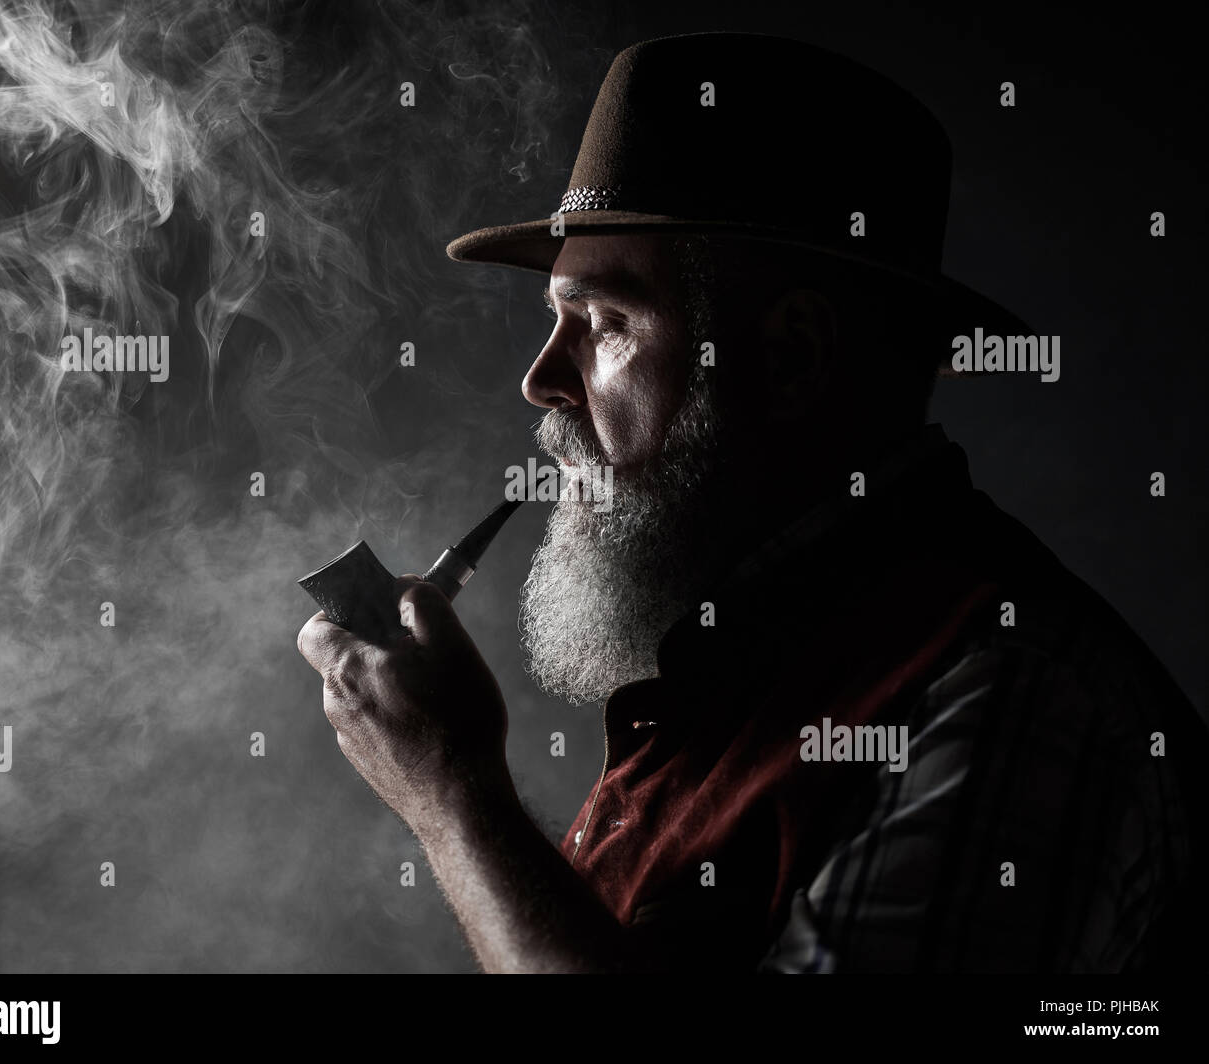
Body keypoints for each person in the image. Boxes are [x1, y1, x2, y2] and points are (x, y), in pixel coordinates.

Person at [296, 32, 1207, 972]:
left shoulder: (1014, 698)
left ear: (789, 355)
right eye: (555, 317)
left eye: (606, 322)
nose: (541, 380)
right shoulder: (735, 675)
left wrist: (455, 799)